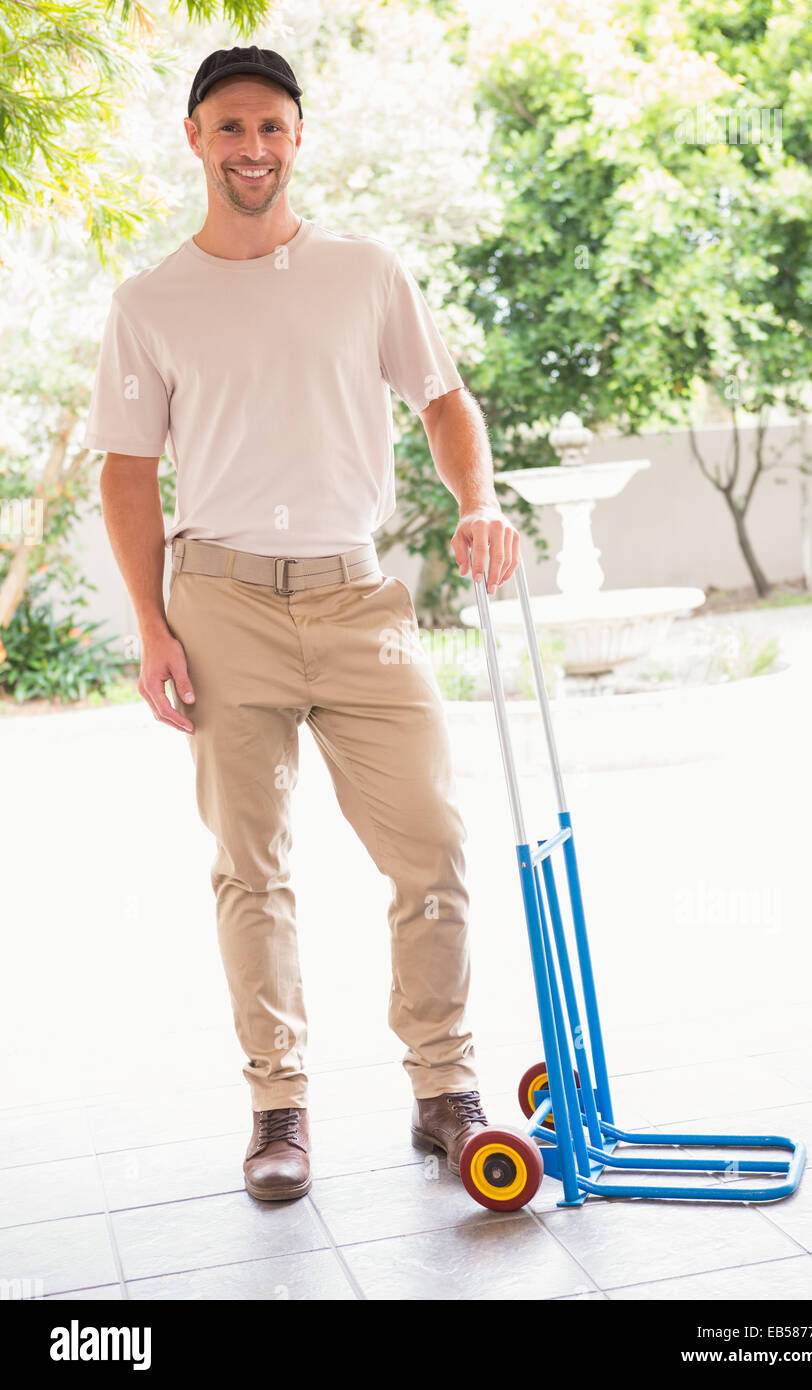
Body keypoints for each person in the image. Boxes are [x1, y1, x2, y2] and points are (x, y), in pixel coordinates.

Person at [84, 44, 520, 1201]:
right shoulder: (150, 302)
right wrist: (153, 624)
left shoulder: (364, 271)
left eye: (272, 128)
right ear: (195, 140)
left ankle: (444, 1089)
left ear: (296, 136)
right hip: (220, 599)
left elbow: (442, 400)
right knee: (252, 869)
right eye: (231, 129)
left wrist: (476, 500)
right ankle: (277, 1107)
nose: (253, 150)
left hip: (354, 590)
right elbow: (125, 473)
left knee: (430, 844)